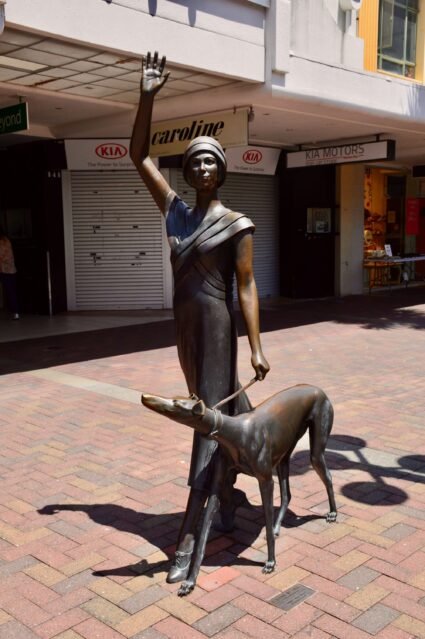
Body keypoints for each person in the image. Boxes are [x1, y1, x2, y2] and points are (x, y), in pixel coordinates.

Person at [130, 51, 270, 584]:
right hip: (184, 330)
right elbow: (139, 154)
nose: (203, 168)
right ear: (187, 172)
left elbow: (247, 285)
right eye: (195, 162)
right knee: (214, 409)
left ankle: (191, 534)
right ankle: (239, 477)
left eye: (212, 161)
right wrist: (147, 96)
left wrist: (255, 346)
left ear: (223, 169)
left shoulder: (237, 223)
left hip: (217, 327)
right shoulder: (176, 212)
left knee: (204, 422)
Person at [0, 227, 19, 320]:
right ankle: (15, 312)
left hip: (6, 270)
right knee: (11, 291)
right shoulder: (6, 240)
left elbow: (2, 256)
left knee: (10, 291)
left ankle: (15, 312)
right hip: (10, 270)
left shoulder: (2, 242)